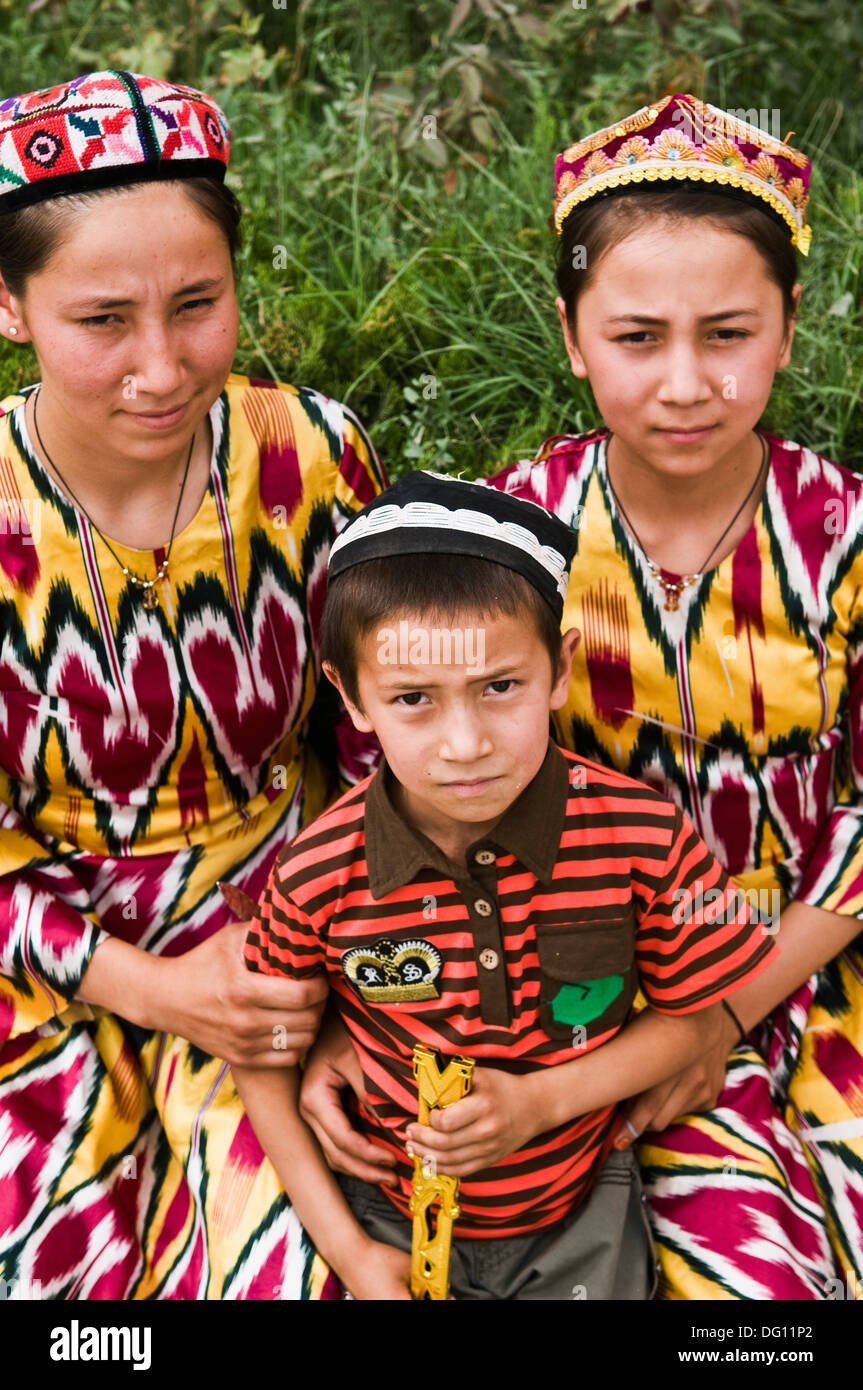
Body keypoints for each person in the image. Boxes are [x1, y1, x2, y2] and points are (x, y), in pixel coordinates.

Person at [299, 94, 863, 1302]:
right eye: (633, 336)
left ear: (786, 328)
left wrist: (724, 1013)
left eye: (725, 333)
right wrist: (349, 1020)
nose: (682, 383)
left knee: (783, 1287)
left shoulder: (845, 533)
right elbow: (400, 769)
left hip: (800, 956)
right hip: (529, 968)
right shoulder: (502, 529)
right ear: (568, 334)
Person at [0, 69, 385, 1300]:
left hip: (280, 927)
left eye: (198, 304)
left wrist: (342, 967)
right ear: (10, 306)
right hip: (37, 947)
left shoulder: (310, 454)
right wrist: (152, 989)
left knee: (292, 1266)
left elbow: (378, 742)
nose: (161, 366)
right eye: (101, 318)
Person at [234, 469, 780, 1301]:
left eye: (499, 687)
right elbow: (263, 1056)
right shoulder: (319, 871)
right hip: (385, 1208)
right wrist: (345, 1249)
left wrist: (537, 1104)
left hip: (578, 1208)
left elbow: (688, 1022)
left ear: (558, 671)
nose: (465, 744)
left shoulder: (640, 837)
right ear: (351, 697)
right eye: (414, 698)